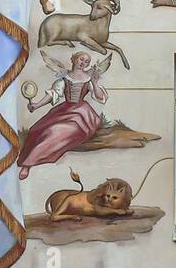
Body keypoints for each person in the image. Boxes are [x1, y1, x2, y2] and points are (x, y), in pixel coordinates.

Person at [17, 51, 110, 179]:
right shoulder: (65, 78)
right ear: (73, 59)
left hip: (82, 115)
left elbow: (100, 97)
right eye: (81, 59)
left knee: (55, 132)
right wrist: (36, 105)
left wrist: (94, 82)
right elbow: (52, 94)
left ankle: (27, 164)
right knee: (36, 130)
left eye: (87, 62)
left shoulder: (88, 79)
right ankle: (27, 163)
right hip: (65, 111)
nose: (84, 63)